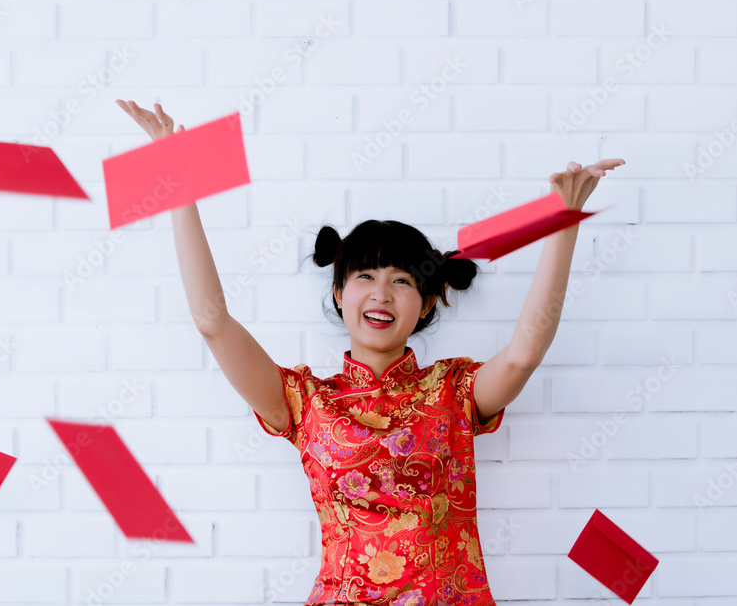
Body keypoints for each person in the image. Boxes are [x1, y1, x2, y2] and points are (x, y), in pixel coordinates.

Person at [116, 99, 625, 605]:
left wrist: (564, 221)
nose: (381, 294)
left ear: (426, 303)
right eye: (365, 276)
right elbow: (212, 322)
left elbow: (522, 355)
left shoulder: (454, 392)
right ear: (340, 293)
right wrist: (177, 183)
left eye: (401, 280)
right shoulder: (305, 403)